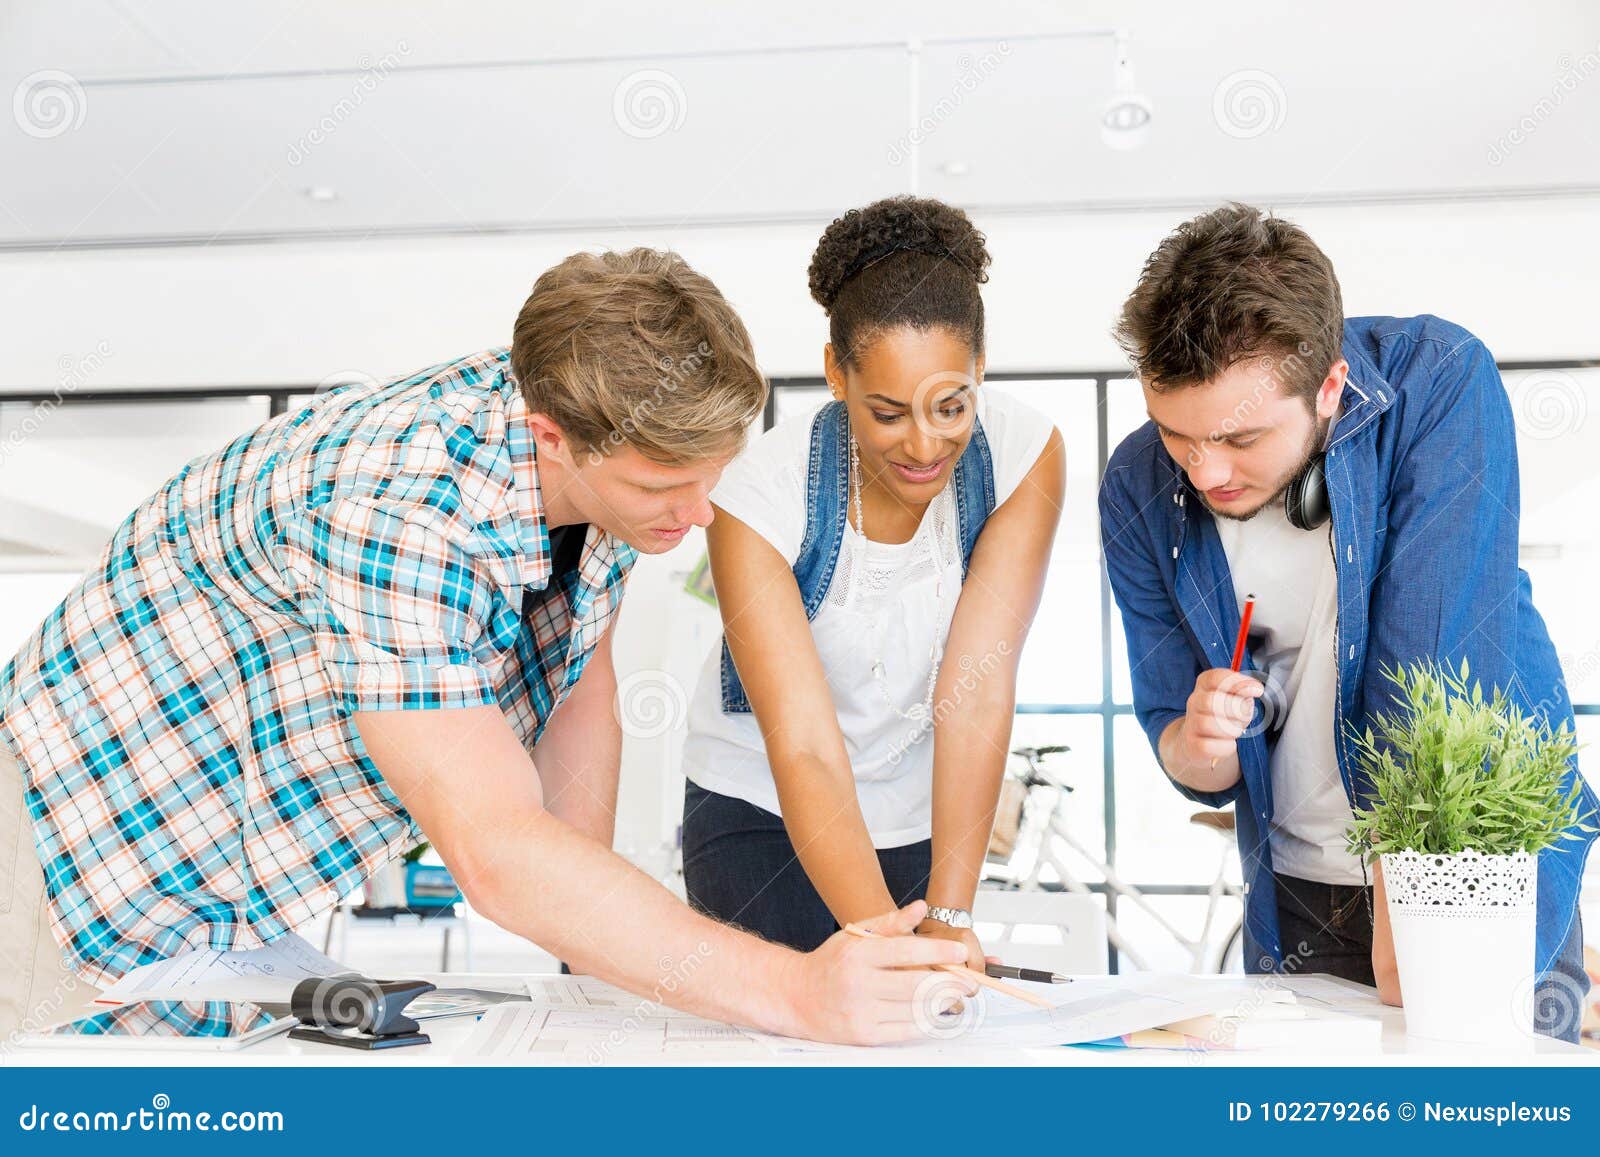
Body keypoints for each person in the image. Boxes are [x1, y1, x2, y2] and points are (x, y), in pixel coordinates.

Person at [0, 248, 973, 1046]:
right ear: (554, 436)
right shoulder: (402, 512)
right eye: (663, 487)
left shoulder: (601, 467)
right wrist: (798, 990)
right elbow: (499, 851)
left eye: (711, 474)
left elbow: (578, 680)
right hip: (52, 850)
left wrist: (601, 945)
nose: (698, 512)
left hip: (216, 885)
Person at [1099, 203, 1596, 1040]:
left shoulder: (1437, 381)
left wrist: (1418, 926)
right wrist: (1200, 740)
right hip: (1298, 893)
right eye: (1177, 433)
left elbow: (1433, 673)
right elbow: (1181, 743)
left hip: (1467, 877)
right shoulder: (1137, 482)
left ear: (1330, 387)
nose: (1205, 469)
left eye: (1240, 437)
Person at [681, 196, 1064, 970]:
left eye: (952, 405)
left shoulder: (1025, 456)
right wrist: (884, 941)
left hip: (922, 818)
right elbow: (806, 744)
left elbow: (978, 690)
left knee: (920, 1043)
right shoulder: (759, 495)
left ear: (980, 367)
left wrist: (950, 914)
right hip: (761, 816)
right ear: (836, 375)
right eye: (888, 413)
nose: (926, 444)